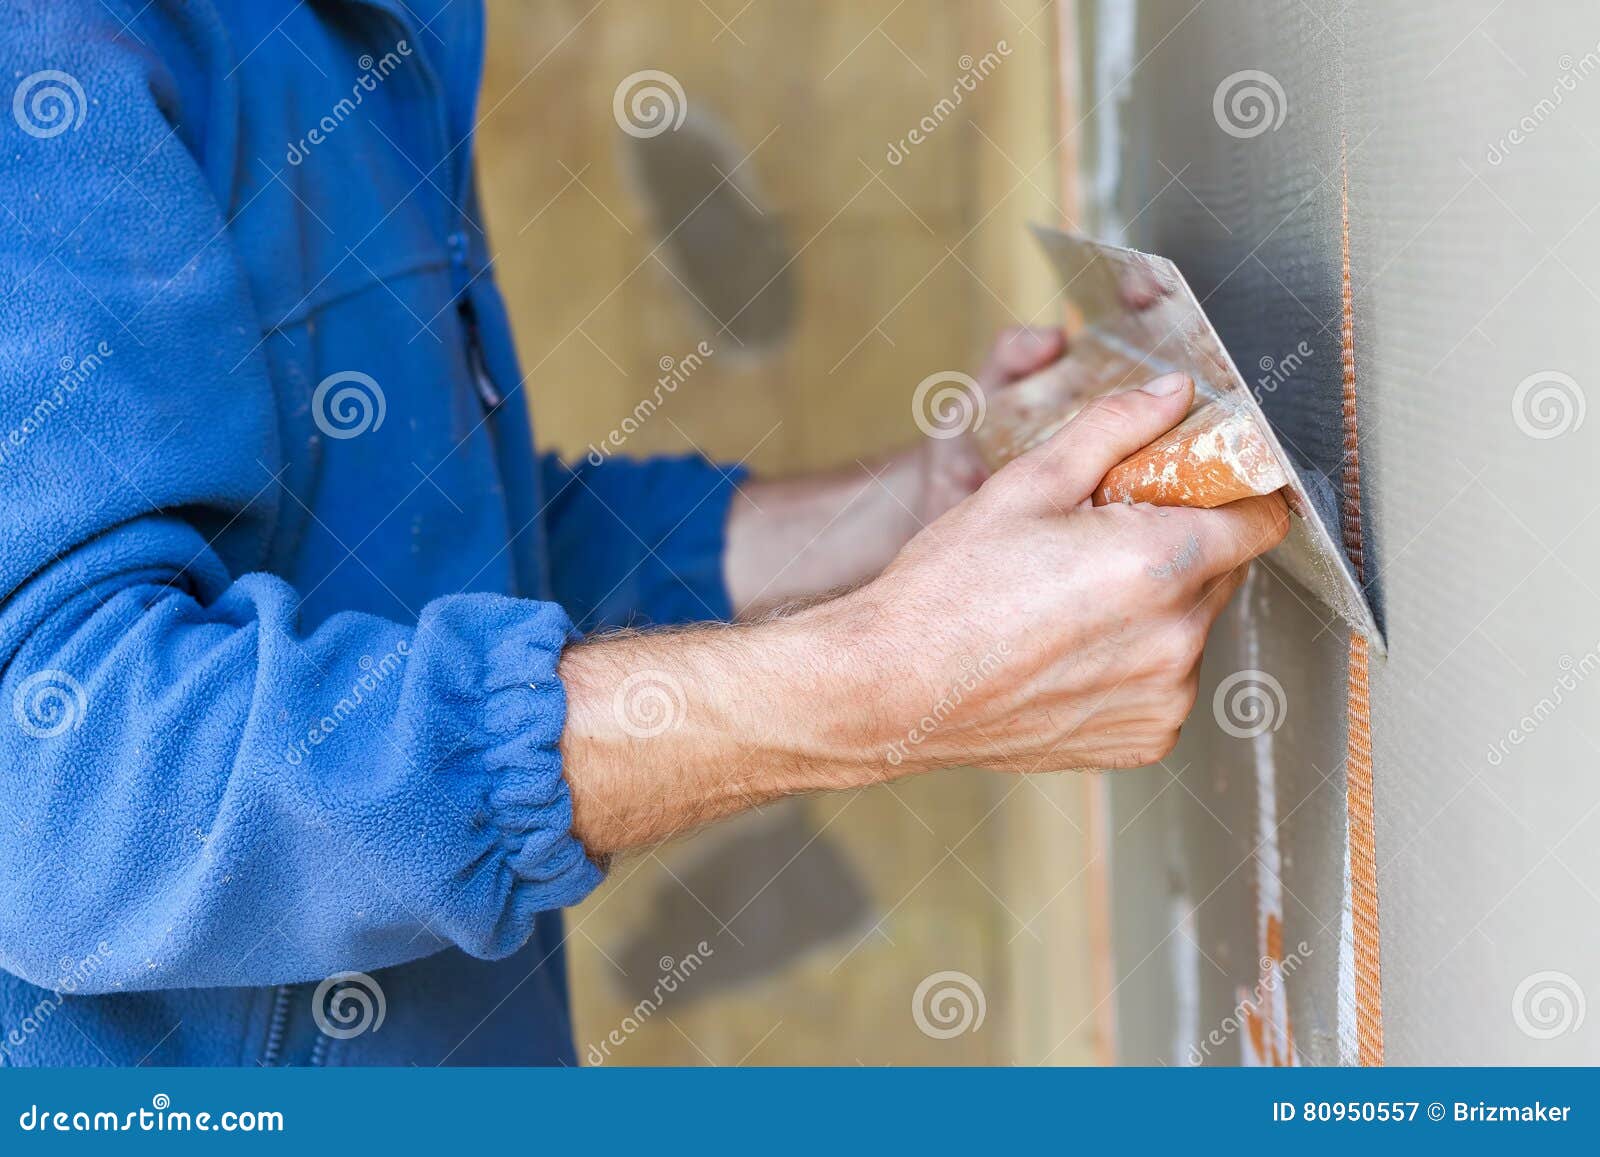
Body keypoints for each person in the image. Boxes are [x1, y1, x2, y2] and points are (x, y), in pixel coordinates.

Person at [0, 0, 1286, 1066]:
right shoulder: (52, 56)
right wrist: (879, 682)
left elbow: (422, 566)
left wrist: (906, 510)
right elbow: (64, 787)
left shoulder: (357, 39)